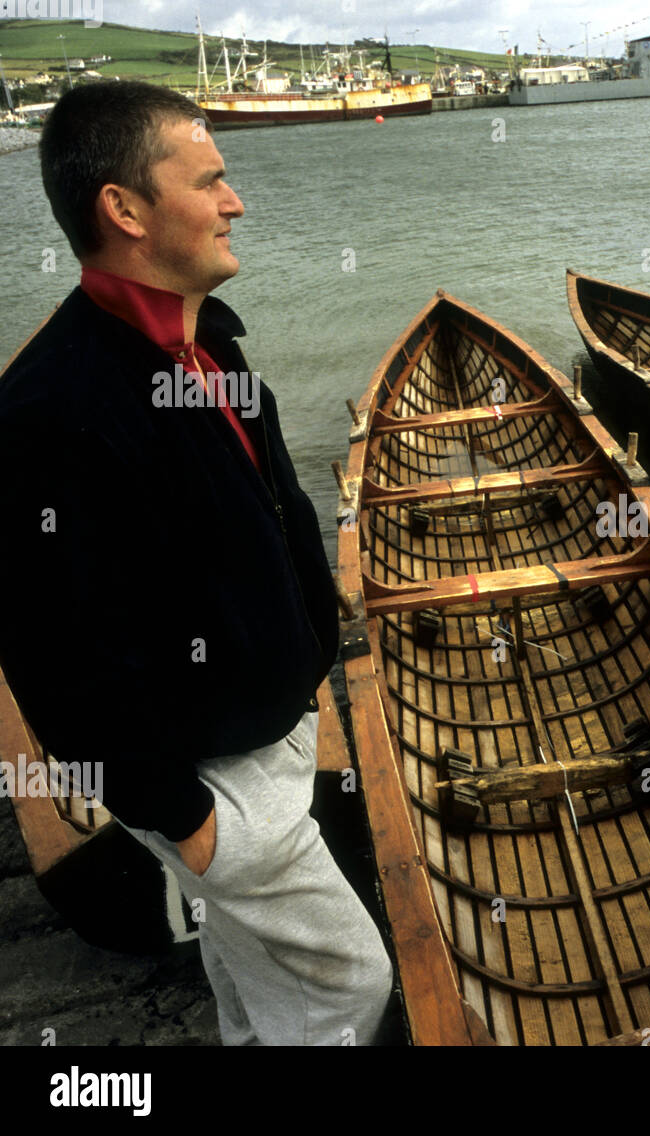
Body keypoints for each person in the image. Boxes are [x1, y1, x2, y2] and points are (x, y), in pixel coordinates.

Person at [0, 81, 393, 1045]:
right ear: (124, 210)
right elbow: (55, 652)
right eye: (211, 180)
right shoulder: (52, 409)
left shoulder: (206, 338)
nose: (236, 201)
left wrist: (315, 639)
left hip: (273, 731)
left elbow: (279, 511)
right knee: (350, 984)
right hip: (214, 782)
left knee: (250, 972)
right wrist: (184, 821)